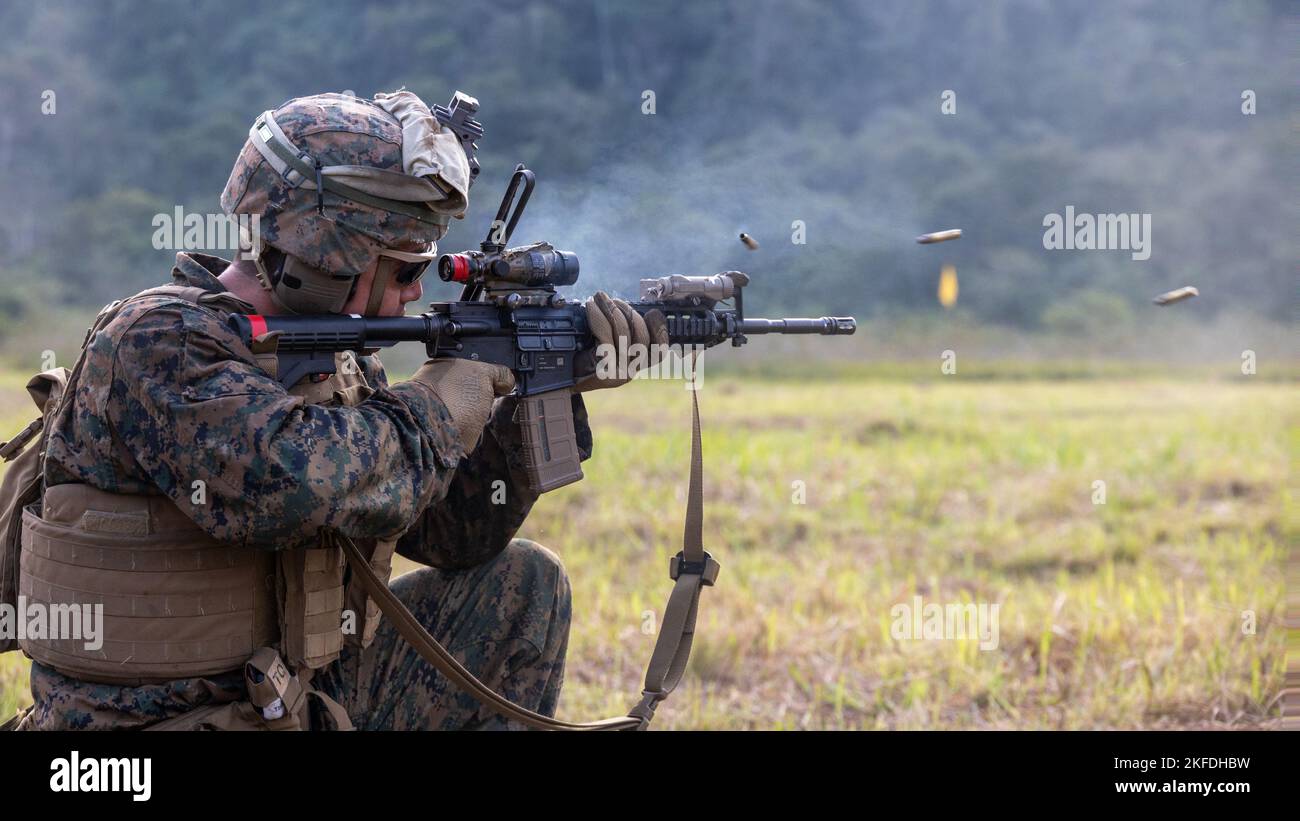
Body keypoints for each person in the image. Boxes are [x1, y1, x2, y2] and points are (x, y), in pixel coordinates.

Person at [9, 89, 659, 730]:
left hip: (297, 697)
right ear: (329, 256)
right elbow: (286, 488)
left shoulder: (334, 361)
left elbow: (448, 535)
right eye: (404, 271)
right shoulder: (158, 341)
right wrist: (438, 405)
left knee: (524, 584)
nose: (413, 295)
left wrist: (536, 394)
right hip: (155, 724)